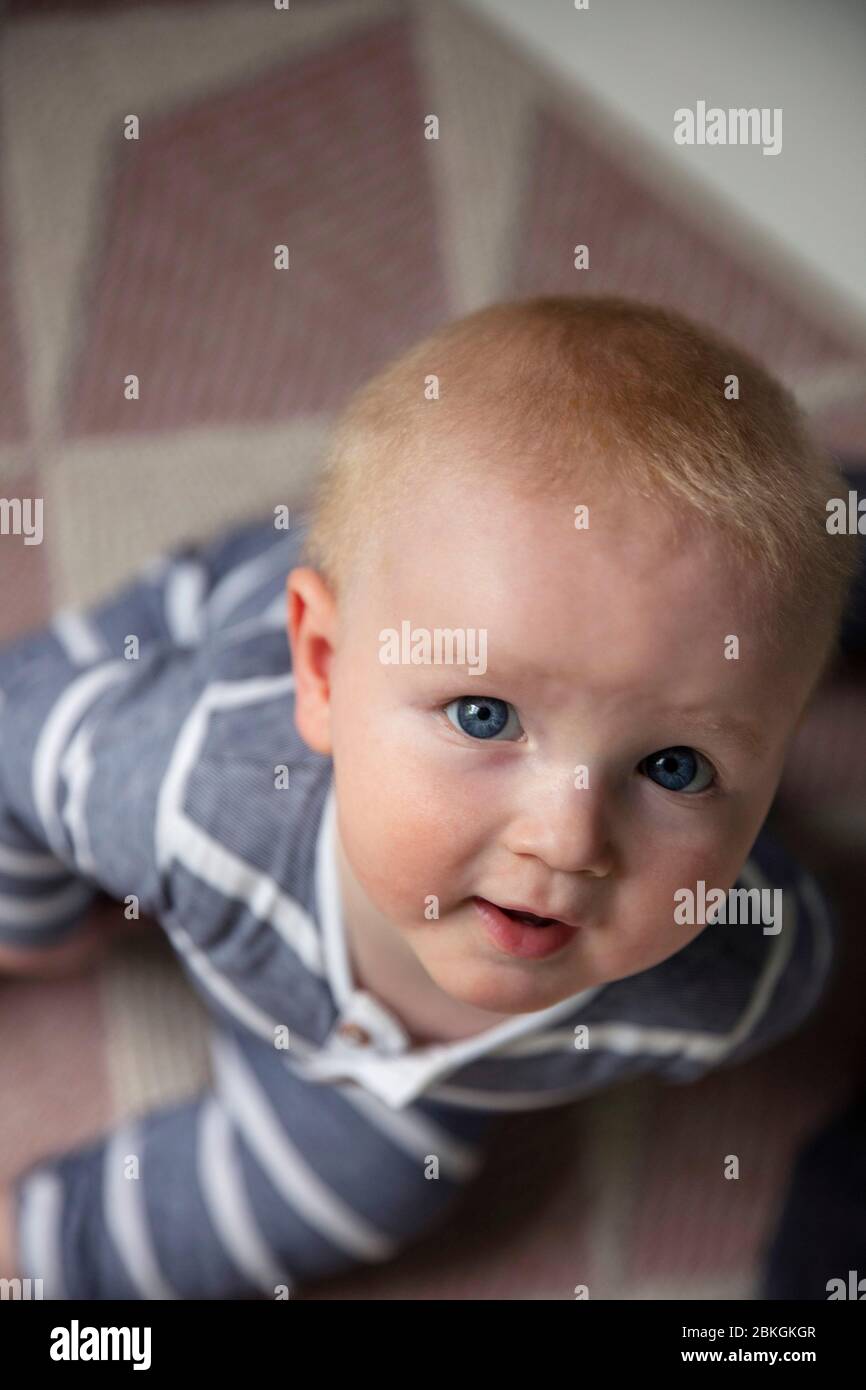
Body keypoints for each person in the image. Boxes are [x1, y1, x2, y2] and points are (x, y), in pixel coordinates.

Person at [0, 296, 860, 1299]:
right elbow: (23, 743)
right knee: (67, 676)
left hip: (365, 1084)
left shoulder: (728, 975)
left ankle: (44, 1244)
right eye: (485, 718)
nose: (567, 839)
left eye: (672, 766)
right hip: (210, 643)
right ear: (322, 672)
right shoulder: (184, 784)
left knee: (366, 1190)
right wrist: (35, 917)